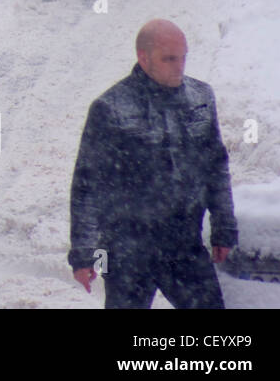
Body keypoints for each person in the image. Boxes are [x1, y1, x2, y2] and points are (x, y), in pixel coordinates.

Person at [68, 19, 237, 308]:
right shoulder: (111, 108)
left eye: (183, 57)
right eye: (169, 58)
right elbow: (88, 187)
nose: (179, 66)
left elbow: (216, 168)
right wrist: (84, 255)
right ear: (143, 58)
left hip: (184, 243)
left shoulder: (200, 99)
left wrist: (224, 227)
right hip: (126, 251)